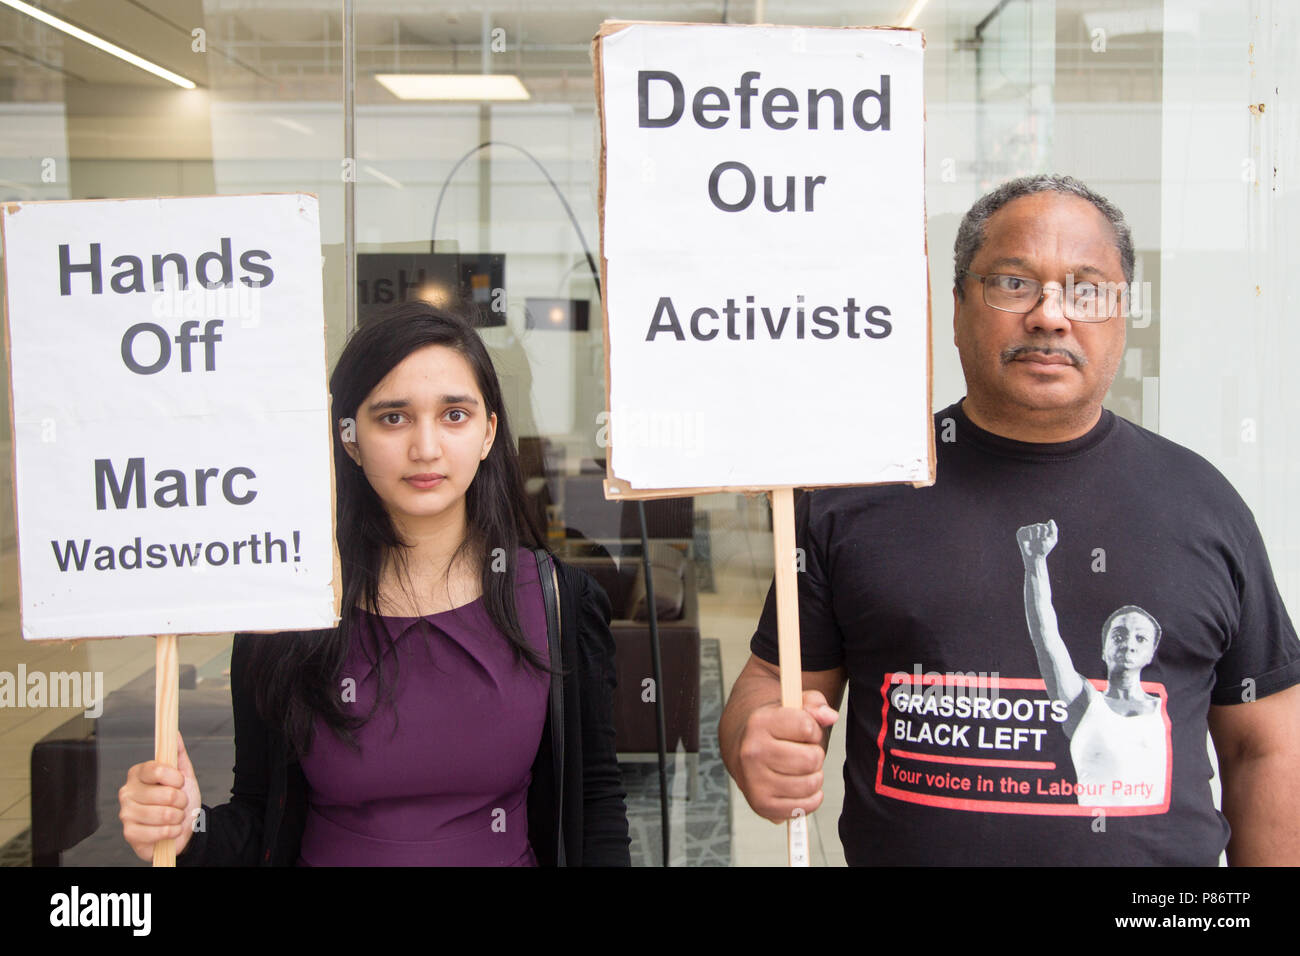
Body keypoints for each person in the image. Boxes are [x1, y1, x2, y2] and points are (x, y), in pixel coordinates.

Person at [720, 174, 1300, 865]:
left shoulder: (1202, 503)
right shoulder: (858, 494)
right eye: (1014, 283)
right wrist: (755, 737)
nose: (1051, 316)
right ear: (959, 305)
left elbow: (1266, 743)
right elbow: (772, 684)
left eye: (1086, 289)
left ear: (1122, 313)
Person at [119, 302, 631, 866]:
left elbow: (596, 807)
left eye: (454, 415)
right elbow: (259, 816)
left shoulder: (559, 603)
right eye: (393, 417)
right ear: (349, 438)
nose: (426, 447)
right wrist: (185, 825)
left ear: (488, 433)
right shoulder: (288, 613)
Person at [1017, 519, 1166, 807]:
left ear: (1151, 653)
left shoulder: (1165, 712)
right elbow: (1046, 637)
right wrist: (1035, 560)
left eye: (1140, 638)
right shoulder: (1084, 704)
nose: (1129, 643)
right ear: (1104, 647)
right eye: (1119, 634)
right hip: (1090, 835)